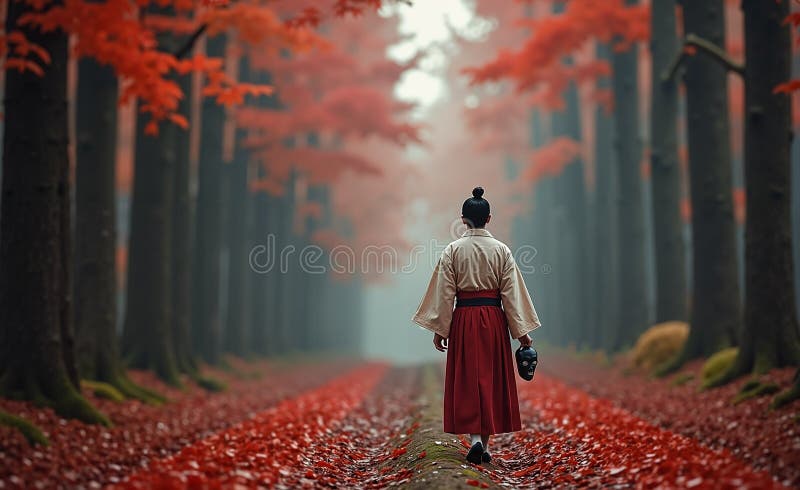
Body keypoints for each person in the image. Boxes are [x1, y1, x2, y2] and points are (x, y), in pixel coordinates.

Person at [411, 186, 542, 465]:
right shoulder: (502, 251)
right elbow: (511, 294)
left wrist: (440, 329)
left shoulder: (453, 250)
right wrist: (522, 333)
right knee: (491, 379)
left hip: (464, 319)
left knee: (470, 378)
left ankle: (475, 441)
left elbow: (445, 293)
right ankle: (485, 445)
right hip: (494, 319)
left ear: (463, 219)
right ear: (489, 218)